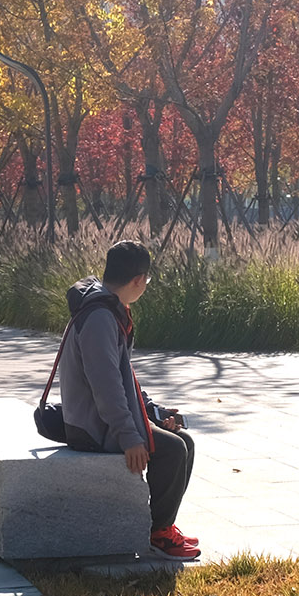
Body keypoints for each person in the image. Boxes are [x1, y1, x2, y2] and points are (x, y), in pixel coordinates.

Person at [59, 240, 199, 560]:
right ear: (138, 280)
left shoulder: (108, 309)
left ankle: (161, 525)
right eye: (147, 280)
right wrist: (130, 435)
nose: (145, 286)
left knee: (182, 440)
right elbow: (106, 386)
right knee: (174, 450)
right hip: (92, 426)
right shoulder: (100, 318)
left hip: (101, 417)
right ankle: (158, 533)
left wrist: (152, 412)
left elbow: (125, 376)